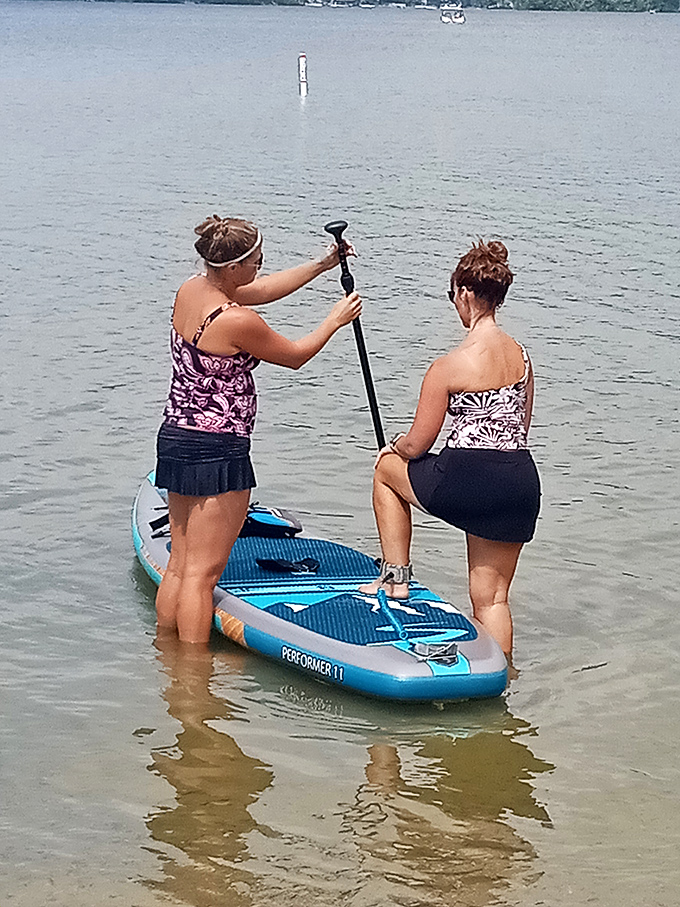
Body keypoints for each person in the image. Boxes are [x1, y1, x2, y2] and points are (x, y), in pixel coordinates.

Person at [155, 214, 361, 645]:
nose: (260, 268)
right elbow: (296, 355)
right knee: (202, 576)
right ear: (232, 268)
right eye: (256, 261)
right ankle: (193, 683)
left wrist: (322, 264)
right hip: (219, 450)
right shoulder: (237, 322)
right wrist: (334, 320)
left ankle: (166, 656)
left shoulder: (192, 289)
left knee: (179, 564)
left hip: (177, 436)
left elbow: (260, 291)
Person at [359, 240, 540, 659]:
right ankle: (502, 679)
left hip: (468, 477)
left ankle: (396, 577)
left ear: (463, 293)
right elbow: (520, 428)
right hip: (519, 481)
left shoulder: (449, 365)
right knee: (492, 599)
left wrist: (395, 447)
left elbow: (419, 443)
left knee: (387, 470)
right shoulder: (524, 358)